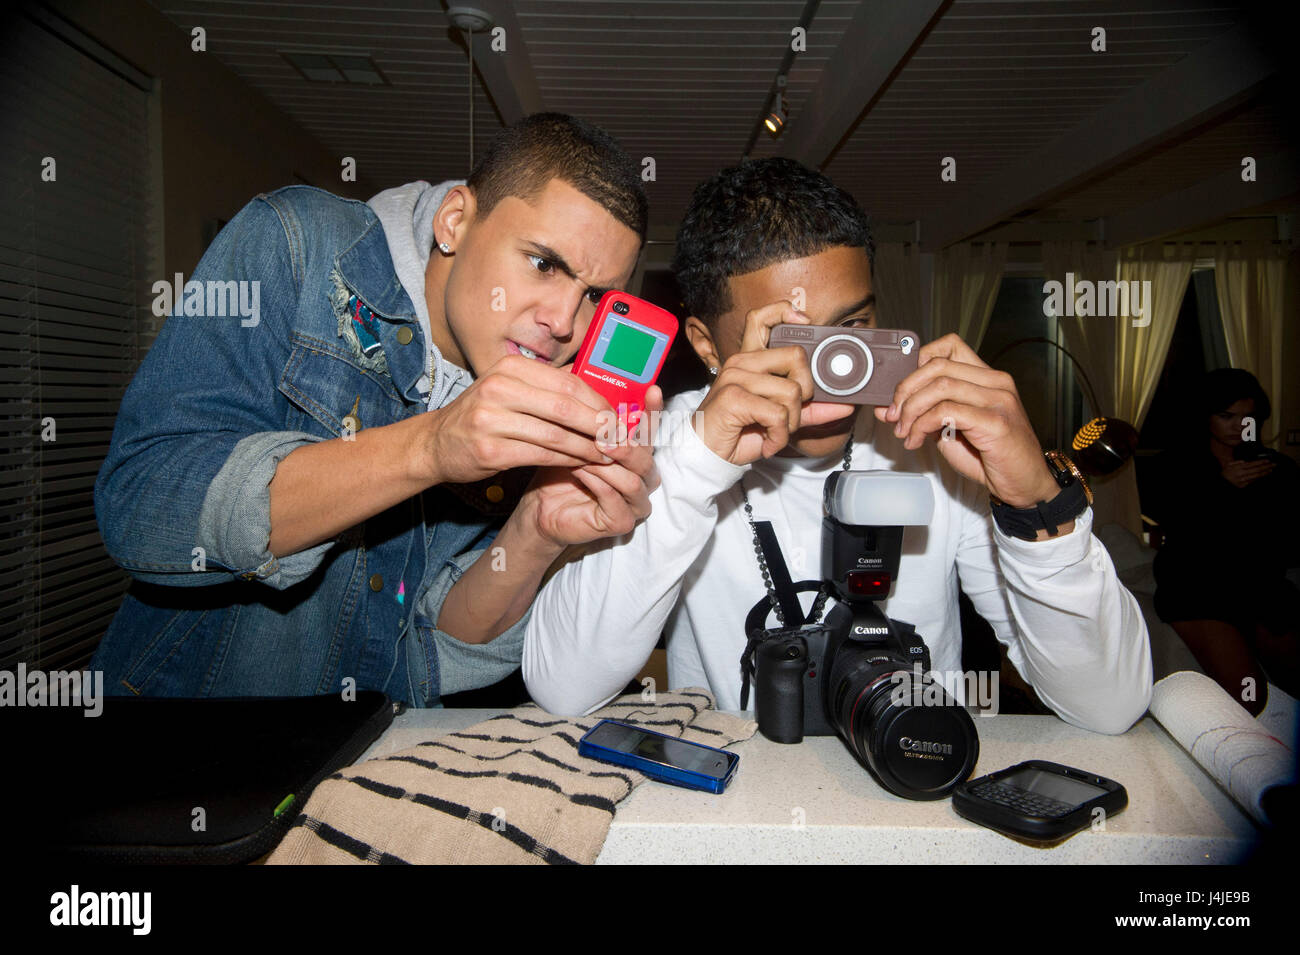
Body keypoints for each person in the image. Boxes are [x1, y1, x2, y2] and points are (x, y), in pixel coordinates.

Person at [523, 157, 1152, 734]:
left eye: (852, 328)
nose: (830, 371)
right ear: (708, 345)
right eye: (789, 337)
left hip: (917, 774)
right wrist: (696, 466)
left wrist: (1037, 504)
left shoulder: (939, 445)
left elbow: (1110, 704)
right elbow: (563, 687)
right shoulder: (658, 442)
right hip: (731, 797)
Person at [91, 113, 660, 705]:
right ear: (455, 222)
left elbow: (428, 654)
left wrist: (535, 530)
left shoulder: (547, 402)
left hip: (372, 748)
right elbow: (140, 506)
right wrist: (430, 447)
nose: (564, 322)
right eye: (543, 264)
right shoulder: (299, 241)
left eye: (596, 296)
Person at [1148, 369, 1300, 715]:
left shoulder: (1275, 467)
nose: (1239, 426)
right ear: (1206, 417)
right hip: (1196, 587)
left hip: (1259, 584)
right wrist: (1221, 488)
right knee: (1248, 694)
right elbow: (1177, 530)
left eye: (1247, 418)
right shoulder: (1173, 465)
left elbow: (1287, 540)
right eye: (1226, 416)